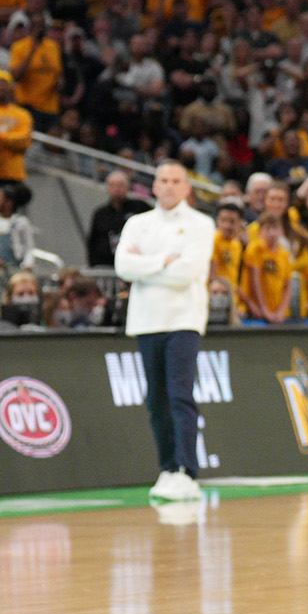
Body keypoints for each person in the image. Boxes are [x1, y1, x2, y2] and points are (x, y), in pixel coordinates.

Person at [114, 161, 215, 503]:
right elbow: (122, 266)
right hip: (145, 321)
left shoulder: (201, 225)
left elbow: (186, 273)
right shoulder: (137, 224)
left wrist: (146, 264)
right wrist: (163, 260)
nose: (169, 186)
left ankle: (187, 472)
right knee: (156, 400)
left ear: (187, 188)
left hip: (183, 320)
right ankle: (168, 468)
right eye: (163, 180)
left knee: (179, 396)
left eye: (176, 181)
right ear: (153, 186)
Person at [87, 170, 150, 268]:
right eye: (112, 185)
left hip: (135, 265)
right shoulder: (100, 214)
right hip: (106, 265)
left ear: (128, 187)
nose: (117, 189)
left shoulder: (140, 208)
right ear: (107, 188)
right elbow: (92, 242)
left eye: (120, 185)